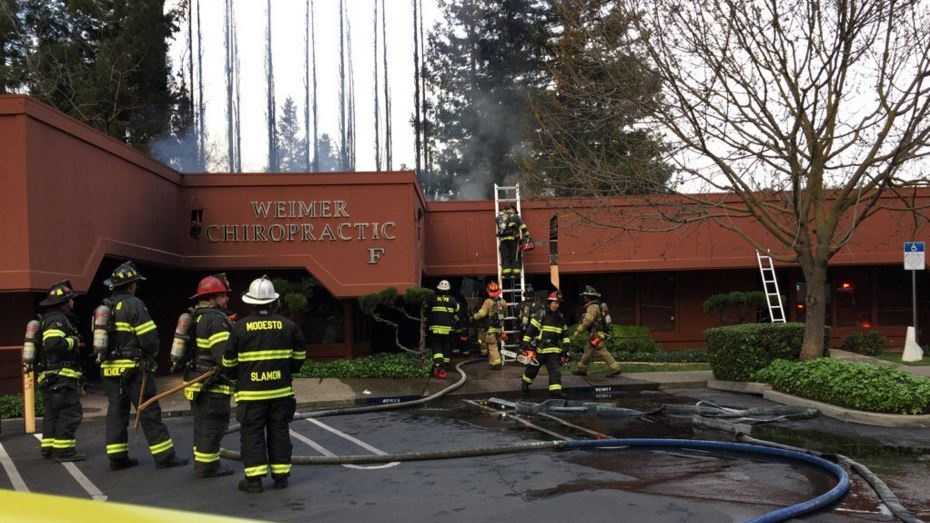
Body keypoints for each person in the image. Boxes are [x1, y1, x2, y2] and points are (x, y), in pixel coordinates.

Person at [99, 261, 188, 470]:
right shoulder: (134, 304)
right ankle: (165, 457)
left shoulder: (104, 307)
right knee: (148, 409)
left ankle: (117, 458)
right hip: (133, 368)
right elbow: (149, 338)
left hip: (109, 369)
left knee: (116, 412)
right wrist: (152, 355)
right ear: (131, 285)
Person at [223, 276, 306, 493]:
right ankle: (281, 477)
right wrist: (289, 371)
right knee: (279, 431)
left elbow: (228, 362)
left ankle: (254, 481)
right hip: (281, 392)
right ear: (274, 302)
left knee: (252, 434)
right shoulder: (289, 326)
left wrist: (235, 376)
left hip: (251, 395)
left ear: (250, 302)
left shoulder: (239, 328)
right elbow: (299, 357)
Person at [184, 275, 235, 478]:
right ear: (212, 297)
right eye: (223, 296)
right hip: (211, 384)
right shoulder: (215, 319)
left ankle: (203, 461)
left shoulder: (196, 315)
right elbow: (223, 356)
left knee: (201, 424)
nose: (226, 300)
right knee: (214, 424)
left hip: (195, 381)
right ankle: (208, 467)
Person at [35, 281, 85, 461]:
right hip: (61, 376)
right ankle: (64, 451)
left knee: (52, 413)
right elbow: (53, 345)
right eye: (70, 300)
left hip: (49, 377)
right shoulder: (57, 320)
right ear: (64, 303)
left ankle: (48, 448)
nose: (73, 303)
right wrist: (74, 342)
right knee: (69, 413)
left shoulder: (47, 319)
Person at [521, 291, 569, 397]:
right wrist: (525, 342)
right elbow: (531, 330)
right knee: (532, 369)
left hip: (553, 350)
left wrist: (566, 348)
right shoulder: (541, 314)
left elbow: (565, 334)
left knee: (555, 371)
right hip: (539, 349)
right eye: (554, 302)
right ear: (549, 302)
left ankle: (555, 391)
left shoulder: (560, 318)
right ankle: (525, 383)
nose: (556, 305)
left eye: (558, 303)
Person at [572, 285, 622, 377]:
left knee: (601, 350)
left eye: (585, 296)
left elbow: (587, 321)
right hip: (598, 334)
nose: (584, 298)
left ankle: (615, 368)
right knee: (588, 350)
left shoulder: (592, 307)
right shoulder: (598, 306)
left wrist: (578, 331)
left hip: (596, 334)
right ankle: (581, 369)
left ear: (588, 297)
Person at [425, 280, 459, 378]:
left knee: (437, 345)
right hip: (448, 329)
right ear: (448, 290)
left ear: (438, 289)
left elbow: (426, 311)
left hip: (435, 328)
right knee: (446, 345)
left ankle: (438, 364)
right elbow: (457, 310)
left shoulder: (432, 299)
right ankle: (445, 363)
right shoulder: (452, 300)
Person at [472, 281, 505, 369]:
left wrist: (474, 316)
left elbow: (482, 314)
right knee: (496, 345)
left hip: (490, 329)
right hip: (499, 328)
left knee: (492, 346)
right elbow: (505, 314)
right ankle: (492, 363)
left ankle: (497, 364)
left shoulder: (488, 301)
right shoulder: (503, 302)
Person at [496, 204, 531, 279]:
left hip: (503, 241)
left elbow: (499, 225)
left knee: (505, 257)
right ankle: (516, 274)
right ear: (513, 210)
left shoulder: (500, 217)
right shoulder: (515, 217)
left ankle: (506, 273)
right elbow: (523, 227)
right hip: (514, 241)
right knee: (515, 257)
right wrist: (527, 236)